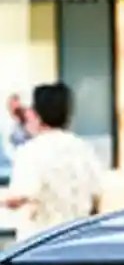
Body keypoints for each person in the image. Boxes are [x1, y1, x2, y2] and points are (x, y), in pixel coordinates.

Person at [1, 83, 105, 241]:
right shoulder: (84, 149)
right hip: (77, 243)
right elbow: (96, 201)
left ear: (36, 114)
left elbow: (19, 196)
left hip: (40, 248)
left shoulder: (32, 151)